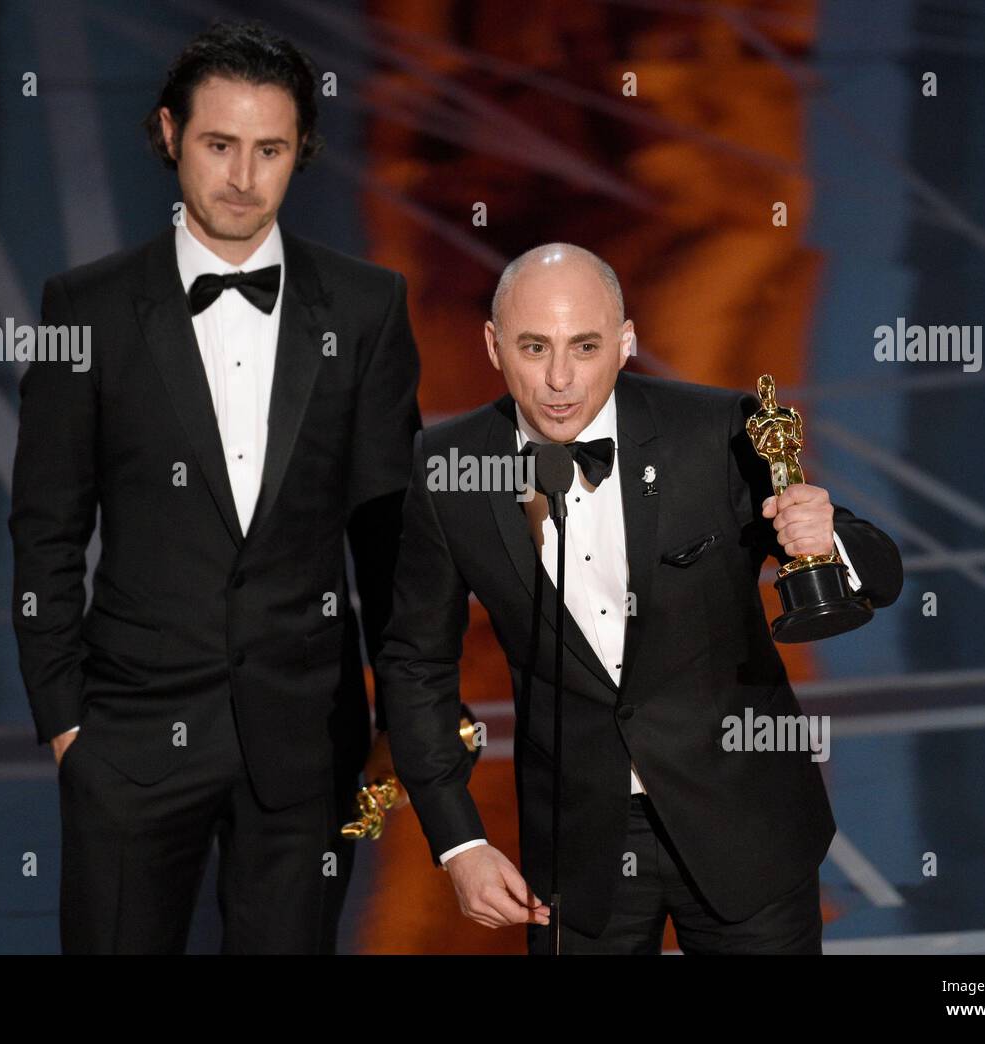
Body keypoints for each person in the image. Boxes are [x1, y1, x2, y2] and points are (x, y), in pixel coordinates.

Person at [9, 22, 419, 953]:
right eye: (219, 144)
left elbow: (391, 536)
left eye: (270, 149)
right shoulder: (88, 308)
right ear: (168, 135)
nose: (243, 175)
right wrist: (68, 726)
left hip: (309, 743)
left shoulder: (366, 307)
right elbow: (45, 528)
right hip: (128, 738)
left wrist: (407, 725)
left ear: (301, 151)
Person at [378, 243, 902, 954]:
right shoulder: (449, 470)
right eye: (534, 348)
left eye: (585, 346)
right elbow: (415, 664)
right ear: (493, 347)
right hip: (578, 853)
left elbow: (878, 569)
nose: (560, 379)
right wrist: (458, 842)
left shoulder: (718, 432)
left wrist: (828, 537)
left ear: (625, 342)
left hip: (744, 827)